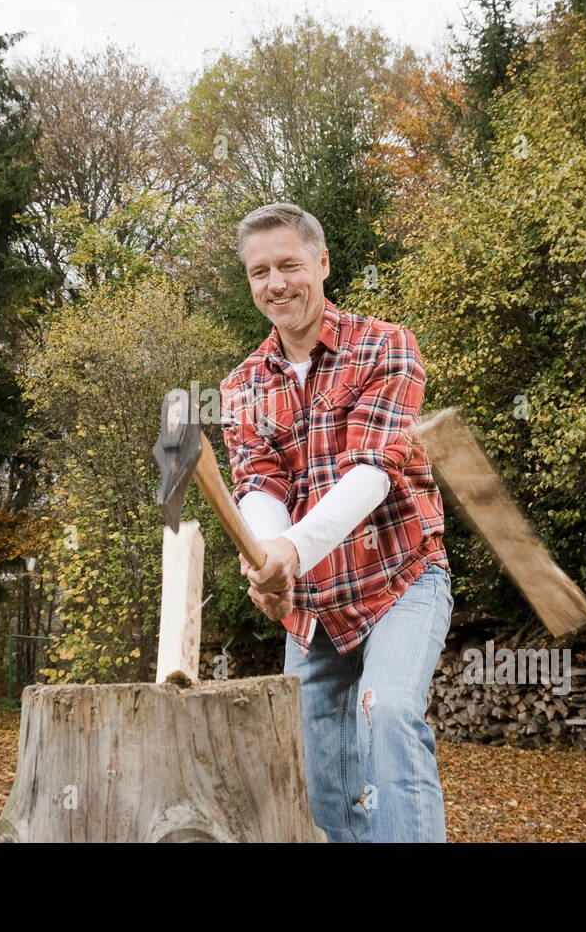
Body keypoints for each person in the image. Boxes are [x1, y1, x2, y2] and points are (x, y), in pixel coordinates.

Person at [219, 202, 454, 843]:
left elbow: (372, 473)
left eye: (289, 265)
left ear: (321, 264)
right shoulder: (241, 385)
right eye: (259, 271)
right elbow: (258, 482)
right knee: (322, 785)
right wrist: (268, 555)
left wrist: (289, 549)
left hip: (399, 580)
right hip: (312, 609)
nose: (276, 284)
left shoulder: (386, 347)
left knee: (391, 713)